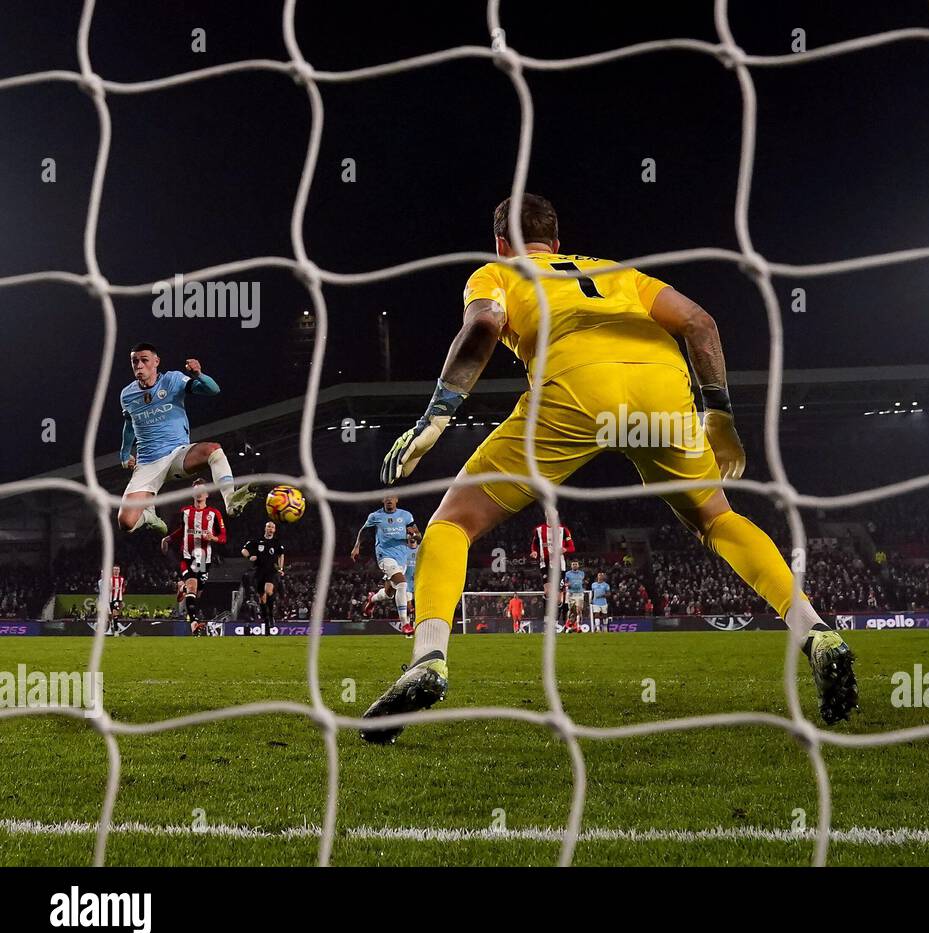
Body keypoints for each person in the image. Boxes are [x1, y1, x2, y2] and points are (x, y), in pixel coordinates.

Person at [361, 193, 856, 742]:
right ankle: (816, 632)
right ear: (558, 239)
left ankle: (428, 657)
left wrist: (436, 420)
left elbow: (481, 328)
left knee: (452, 524)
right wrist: (720, 417)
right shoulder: (618, 273)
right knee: (717, 518)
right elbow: (700, 322)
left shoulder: (496, 274)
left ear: (501, 244)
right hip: (662, 391)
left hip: (575, 388)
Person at [116, 344, 253, 534]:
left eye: (144, 360)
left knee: (214, 450)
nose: (139, 365)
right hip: (147, 464)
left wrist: (199, 374)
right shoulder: (127, 394)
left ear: (156, 362)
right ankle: (149, 516)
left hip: (178, 454)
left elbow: (213, 390)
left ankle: (231, 499)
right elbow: (129, 424)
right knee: (126, 523)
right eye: (134, 361)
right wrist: (124, 453)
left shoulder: (173, 380)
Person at [162, 478, 226, 635]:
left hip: (203, 559)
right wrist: (168, 538)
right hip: (187, 556)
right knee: (192, 588)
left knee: (196, 594)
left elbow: (223, 537)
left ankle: (182, 587)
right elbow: (182, 530)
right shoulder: (185, 511)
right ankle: (195, 625)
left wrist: (214, 538)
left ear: (207, 494)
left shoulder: (214, 514)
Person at [353, 496, 418, 635]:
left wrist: (414, 534)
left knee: (389, 594)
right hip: (385, 556)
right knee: (402, 583)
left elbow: (417, 535)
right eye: (386, 498)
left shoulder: (406, 516)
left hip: (402, 558)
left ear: (397, 500)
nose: (389, 500)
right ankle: (405, 624)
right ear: (383, 500)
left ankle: (372, 599)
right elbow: (363, 530)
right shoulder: (375, 516)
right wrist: (357, 546)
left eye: (392, 498)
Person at [241, 521, 285, 630]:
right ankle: (266, 621)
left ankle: (271, 616)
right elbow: (244, 550)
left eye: (272, 527)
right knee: (262, 598)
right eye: (269, 527)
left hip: (271, 571)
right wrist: (249, 556)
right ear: (265, 528)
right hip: (259, 571)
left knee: (269, 591)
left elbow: (281, 555)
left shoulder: (277, 542)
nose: (270, 529)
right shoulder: (257, 540)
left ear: (274, 530)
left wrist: (280, 568)